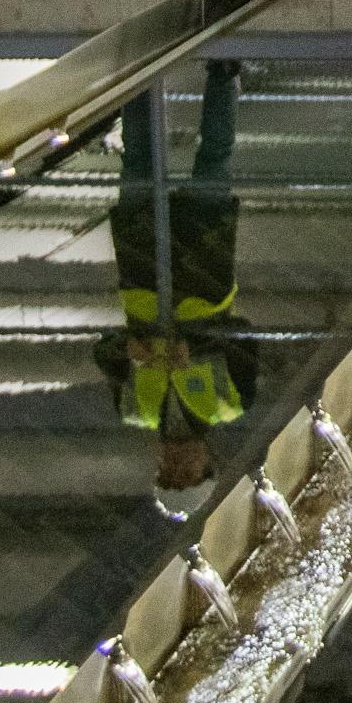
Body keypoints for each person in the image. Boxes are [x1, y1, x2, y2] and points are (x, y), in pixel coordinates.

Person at [92, 60, 259, 521]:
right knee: (214, 161)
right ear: (208, 465)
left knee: (140, 162)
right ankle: (223, 75)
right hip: (204, 269)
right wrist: (197, 350)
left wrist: (130, 348)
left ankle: (137, 80)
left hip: (143, 265)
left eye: (166, 476)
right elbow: (245, 336)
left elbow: (103, 351)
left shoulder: (135, 409)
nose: (175, 467)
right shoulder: (231, 403)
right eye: (186, 476)